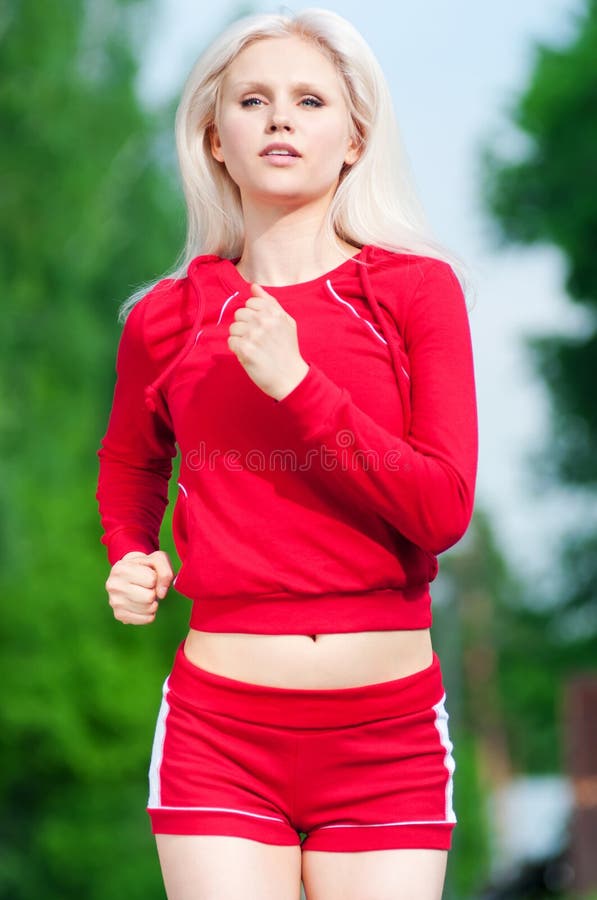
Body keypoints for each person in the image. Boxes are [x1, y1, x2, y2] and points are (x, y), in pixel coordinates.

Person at [96, 7, 478, 899]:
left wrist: (300, 388)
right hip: (219, 732)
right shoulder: (165, 316)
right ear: (214, 138)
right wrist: (129, 551)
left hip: (385, 737)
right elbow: (130, 461)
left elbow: (442, 509)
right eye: (252, 101)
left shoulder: (415, 293)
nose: (278, 119)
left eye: (308, 101)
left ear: (352, 138)